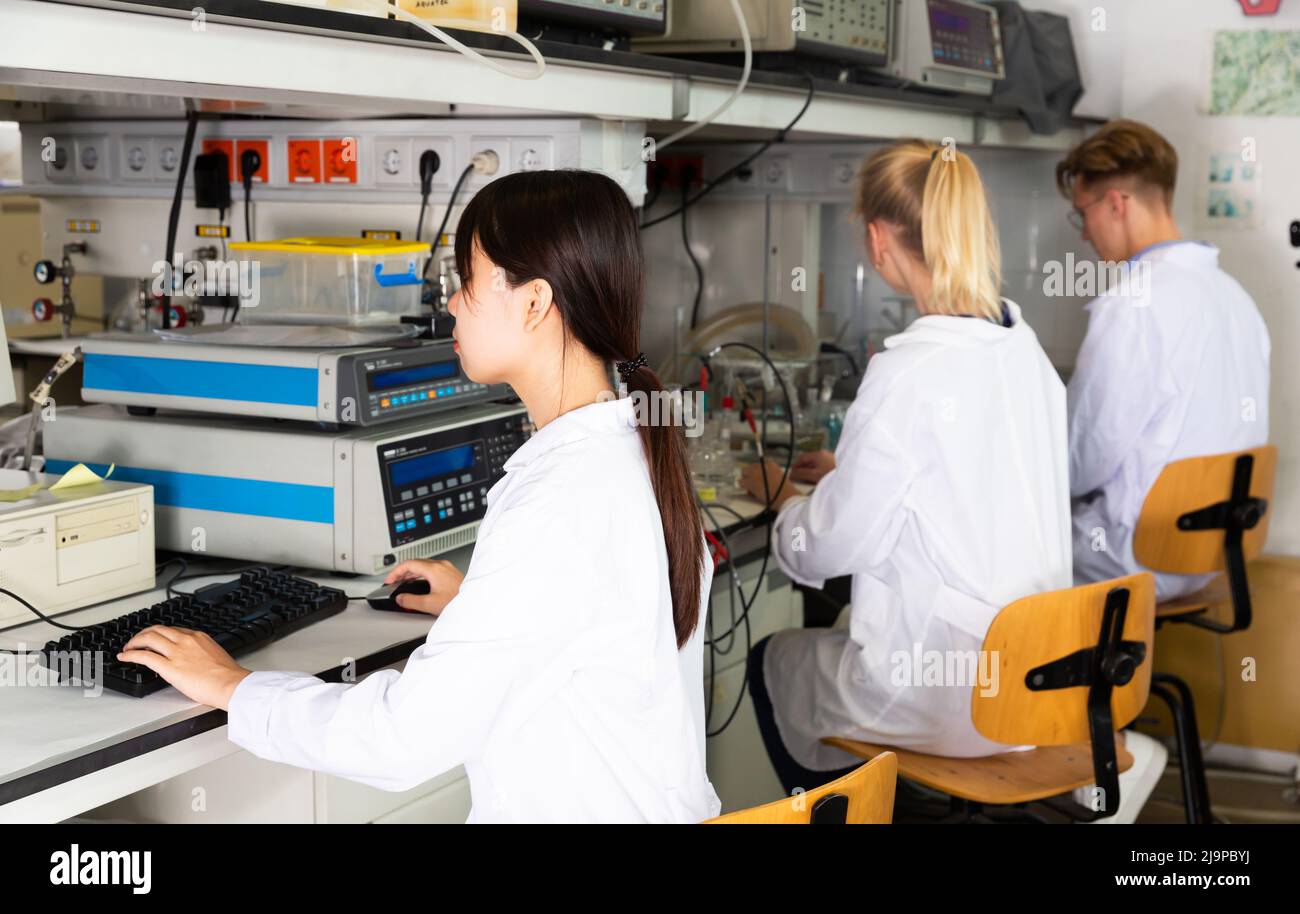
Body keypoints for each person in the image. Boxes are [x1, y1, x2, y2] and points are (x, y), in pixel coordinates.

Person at [118, 170, 720, 824]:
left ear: (535, 303)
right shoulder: (632, 441)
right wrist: (476, 604)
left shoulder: (561, 499)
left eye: (467, 281)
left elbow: (402, 739)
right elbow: (600, 625)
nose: (452, 306)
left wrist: (232, 686)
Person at [738, 139, 1071, 795]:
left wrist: (785, 501)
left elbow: (825, 551)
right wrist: (849, 469)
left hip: (955, 690)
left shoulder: (908, 373)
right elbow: (978, 474)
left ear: (878, 237)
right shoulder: (1020, 346)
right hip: (1048, 671)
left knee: (772, 661)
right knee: (838, 635)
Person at [1057, 119, 1270, 600]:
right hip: (1215, 554)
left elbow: (1077, 465)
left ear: (1115, 203)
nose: (1085, 235)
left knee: (989, 557)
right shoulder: (1235, 297)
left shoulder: (1132, 306)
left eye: (1083, 214)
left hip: (1136, 557)